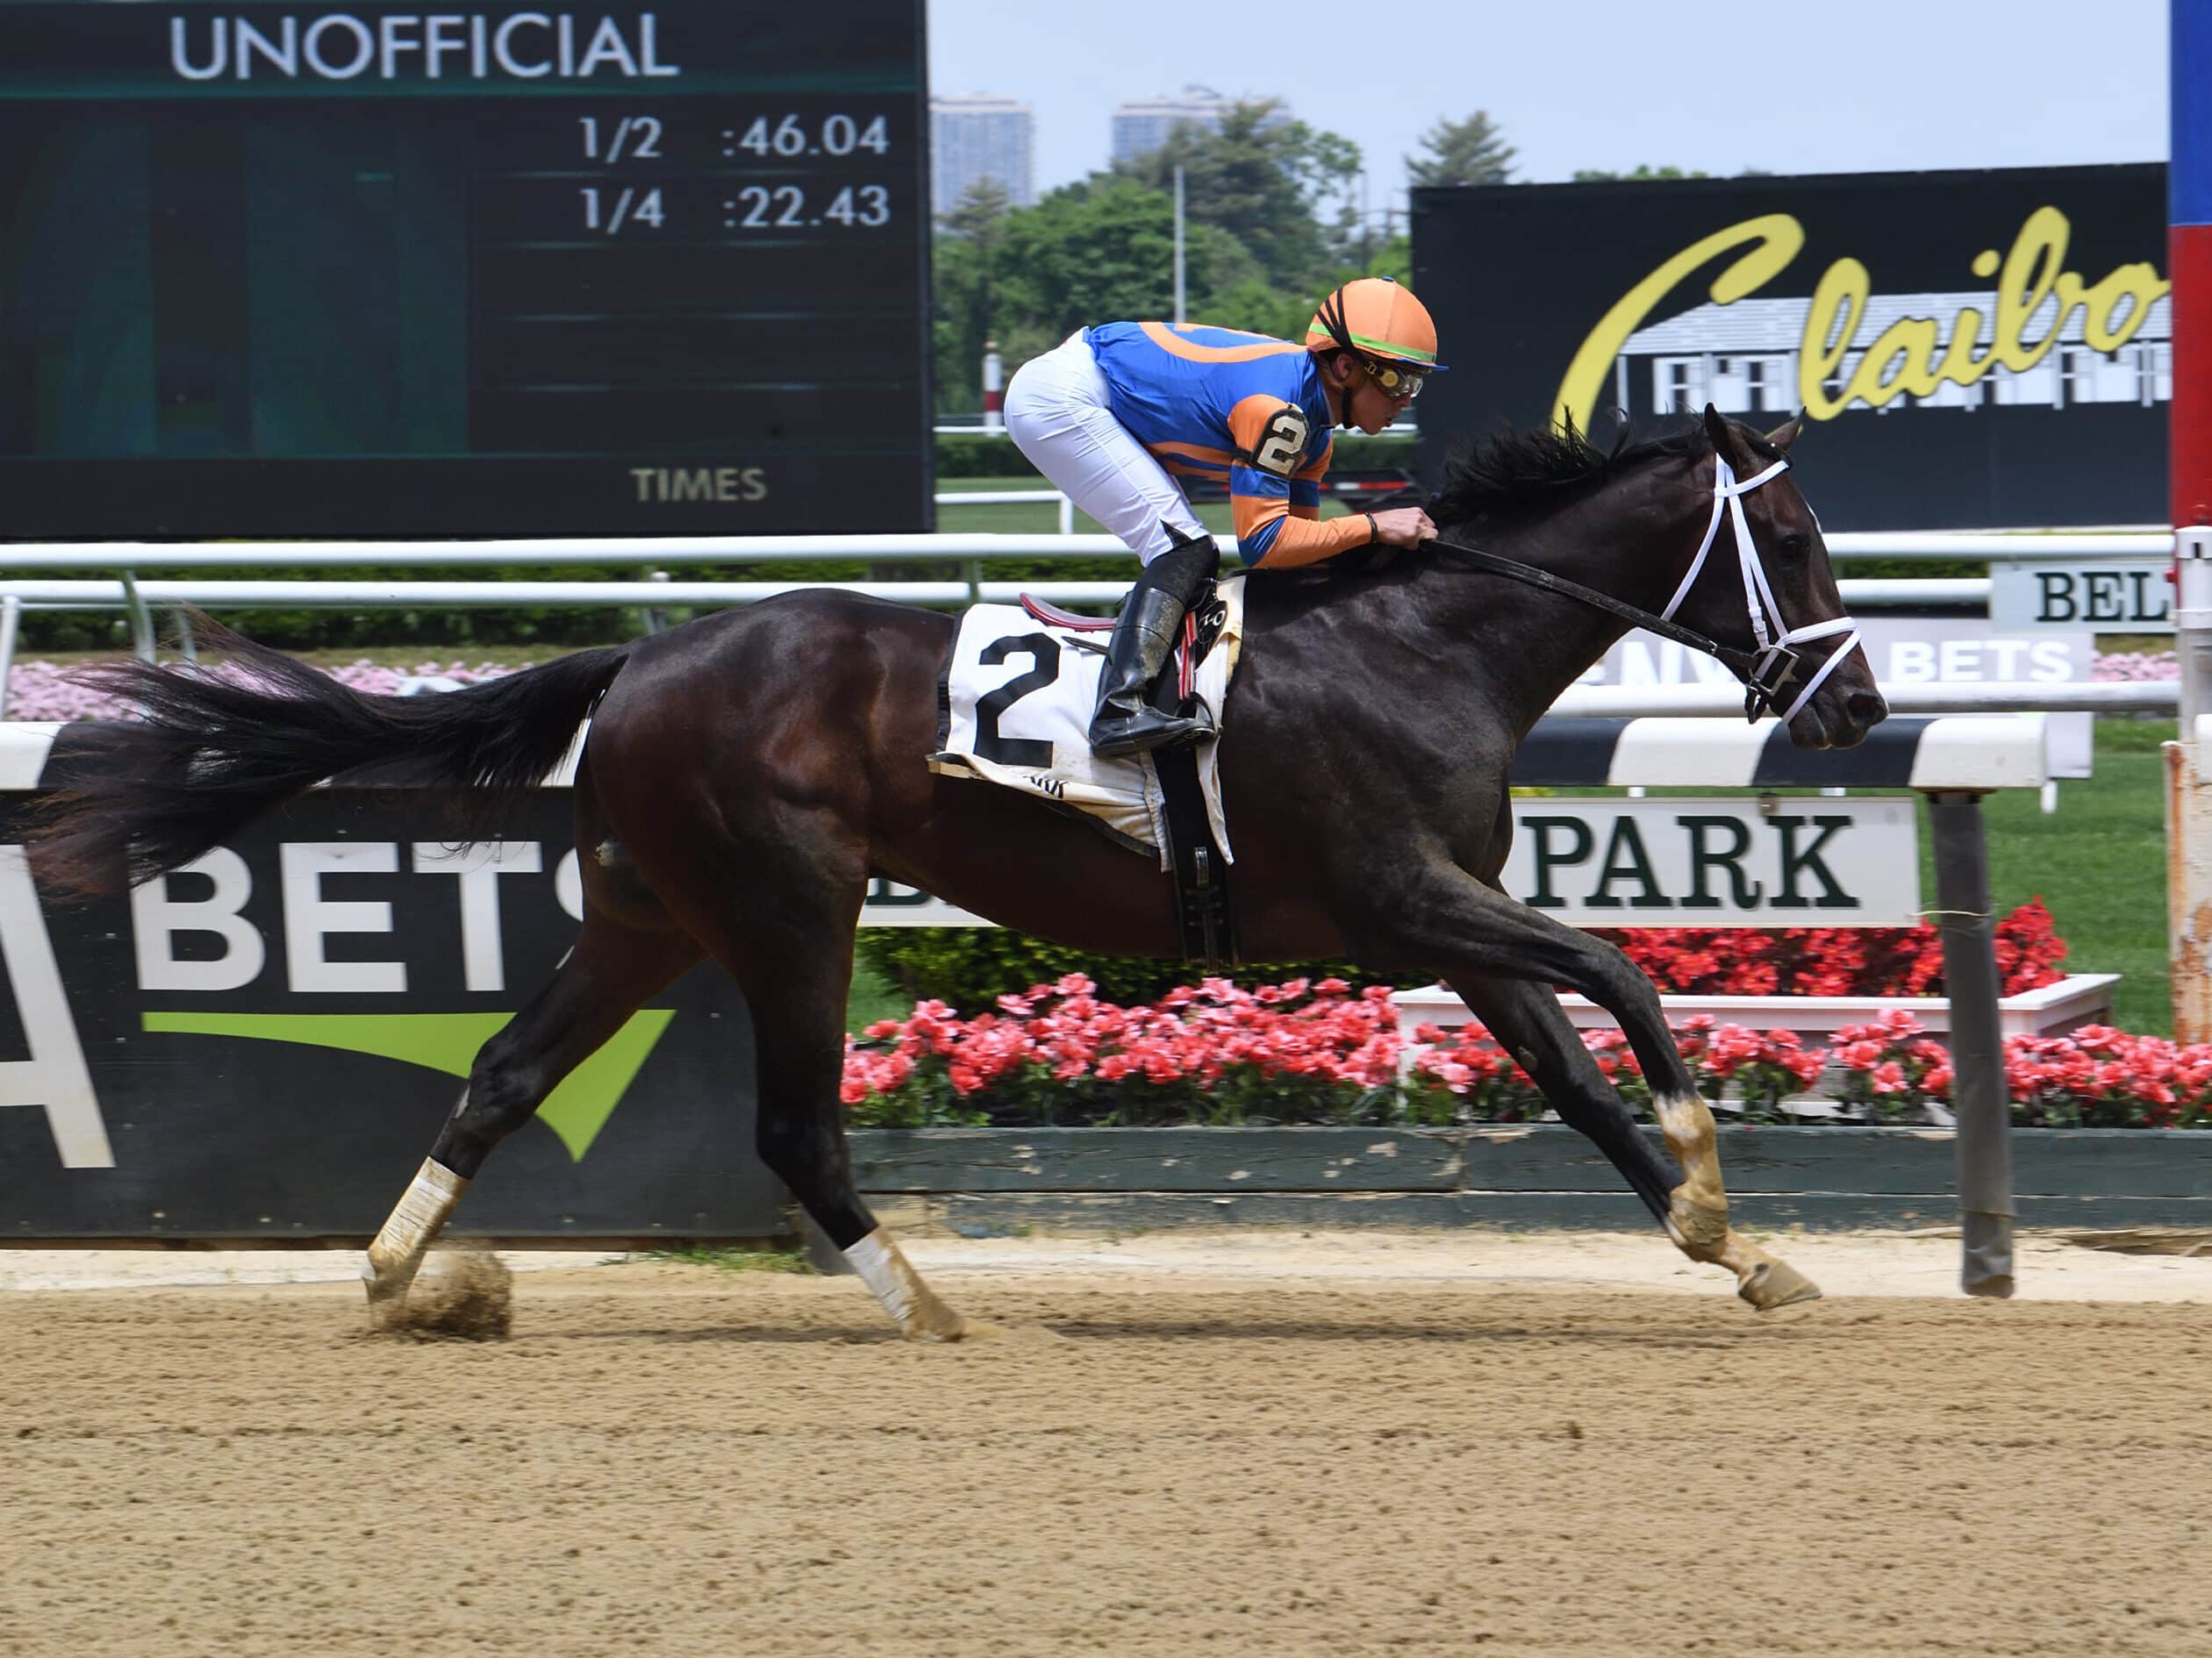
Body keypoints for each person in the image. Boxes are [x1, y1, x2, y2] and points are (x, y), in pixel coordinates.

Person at [1002, 275, 1445, 758]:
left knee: (1189, 549)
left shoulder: (1313, 436)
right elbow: (1263, 541)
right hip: (1062, 397)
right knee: (1185, 548)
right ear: (1344, 367)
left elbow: (1295, 559)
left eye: (1416, 382)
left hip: (1086, 384)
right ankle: (1117, 709)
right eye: (1398, 378)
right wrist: (1375, 526)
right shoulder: (1278, 411)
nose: (1406, 397)